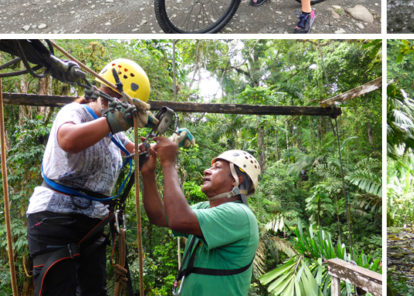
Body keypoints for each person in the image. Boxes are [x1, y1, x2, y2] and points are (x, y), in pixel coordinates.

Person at [25, 59, 151, 296]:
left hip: (93, 221)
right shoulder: (76, 112)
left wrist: (155, 146)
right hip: (56, 217)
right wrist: (111, 122)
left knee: (94, 290)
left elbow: (134, 150)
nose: (112, 100)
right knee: (58, 289)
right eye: (110, 93)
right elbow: (69, 140)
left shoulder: (117, 131)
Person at [140, 141, 260, 296]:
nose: (206, 171)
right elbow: (159, 217)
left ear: (236, 180)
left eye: (217, 167)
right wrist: (147, 173)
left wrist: (168, 163)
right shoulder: (204, 208)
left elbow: (177, 218)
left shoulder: (240, 215)